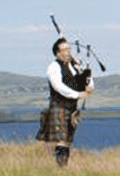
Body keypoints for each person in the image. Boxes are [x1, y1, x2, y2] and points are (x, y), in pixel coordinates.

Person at [36, 37, 93, 167]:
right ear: (57, 53)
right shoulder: (54, 67)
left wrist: (89, 85)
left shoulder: (75, 67)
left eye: (69, 49)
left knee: (67, 140)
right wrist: (77, 94)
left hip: (73, 109)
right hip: (59, 107)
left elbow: (86, 82)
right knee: (61, 140)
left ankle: (63, 167)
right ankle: (60, 168)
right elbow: (58, 86)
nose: (68, 52)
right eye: (65, 49)